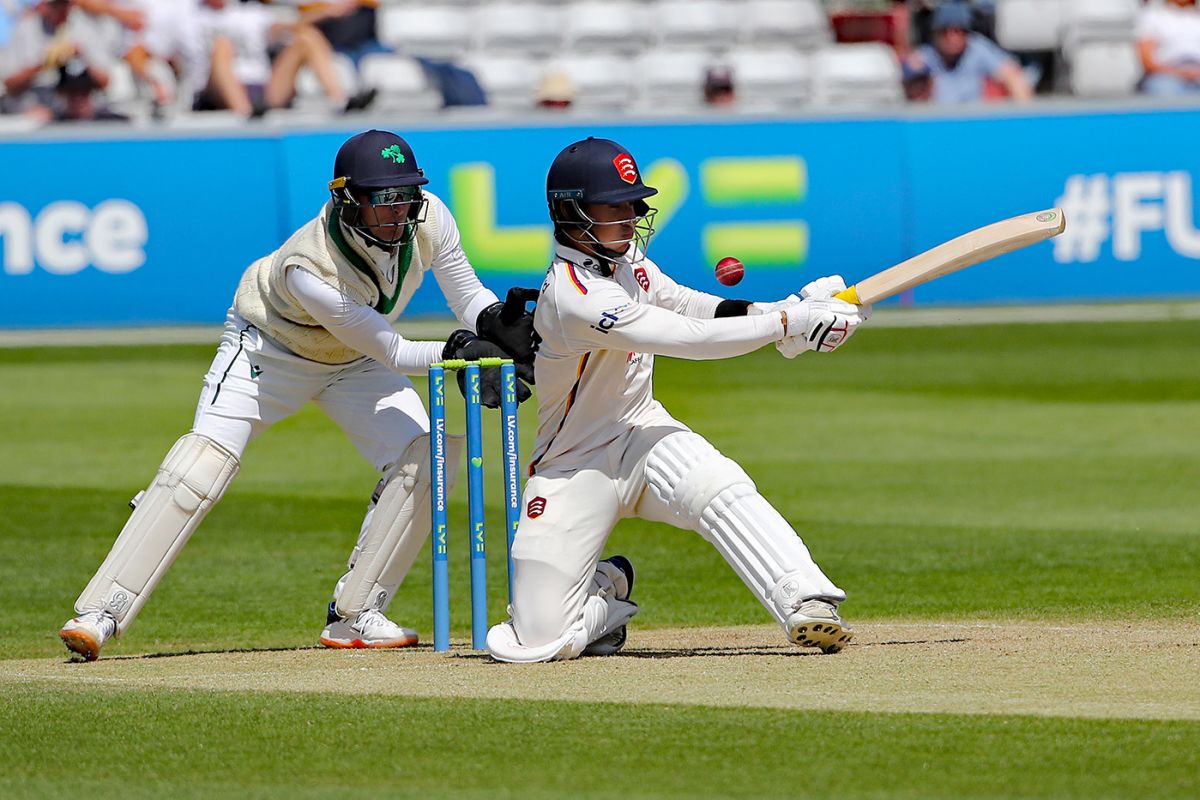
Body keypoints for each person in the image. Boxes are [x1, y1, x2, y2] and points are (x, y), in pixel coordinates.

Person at [59, 130, 537, 661]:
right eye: (383, 200)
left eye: (406, 196)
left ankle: (355, 614)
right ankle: (100, 612)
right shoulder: (308, 267)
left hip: (353, 362)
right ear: (348, 199)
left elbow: (466, 292)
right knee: (201, 467)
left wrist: (497, 324)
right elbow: (395, 349)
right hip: (270, 351)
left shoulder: (430, 218)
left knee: (432, 457)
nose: (398, 212)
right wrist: (460, 353)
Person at [485, 137, 869, 664]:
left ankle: (806, 600)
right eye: (614, 206)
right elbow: (690, 338)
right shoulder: (574, 297)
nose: (630, 216)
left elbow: (691, 306)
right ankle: (606, 588)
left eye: (632, 203)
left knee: (717, 486)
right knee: (535, 642)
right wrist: (790, 322)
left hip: (642, 431)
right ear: (570, 212)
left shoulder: (628, 261)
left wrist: (784, 309)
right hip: (574, 464)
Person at [193, 0, 373, 118]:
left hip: (261, 89)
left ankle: (340, 101)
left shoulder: (249, 12)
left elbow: (288, 27)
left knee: (307, 36)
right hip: (214, 89)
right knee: (222, 47)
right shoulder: (191, 14)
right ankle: (244, 113)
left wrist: (327, 11)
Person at [0, 0, 114, 118]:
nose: (62, 9)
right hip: (38, 107)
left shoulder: (85, 28)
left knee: (84, 107)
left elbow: (106, 81)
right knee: (40, 115)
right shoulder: (26, 30)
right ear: (44, 5)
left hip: (78, 105)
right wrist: (43, 64)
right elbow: (10, 85)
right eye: (56, 5)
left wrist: (81, 55)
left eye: (65, 4)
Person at [905, 2, 1031, 104]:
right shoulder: (924, 56)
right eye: (945, 31)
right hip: (937, 121)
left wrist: (1022, 118)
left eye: (958, 31)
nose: (952, 38)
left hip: (973, 120)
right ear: (935, 33)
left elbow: (1014, 77)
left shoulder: (977, 49)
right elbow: (911, 98)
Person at [1137, 0, 1200, 97]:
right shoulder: (1153, 16)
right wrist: (1182, 73)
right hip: (1166, 74)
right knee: (1166, 90)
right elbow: (1148, 62)